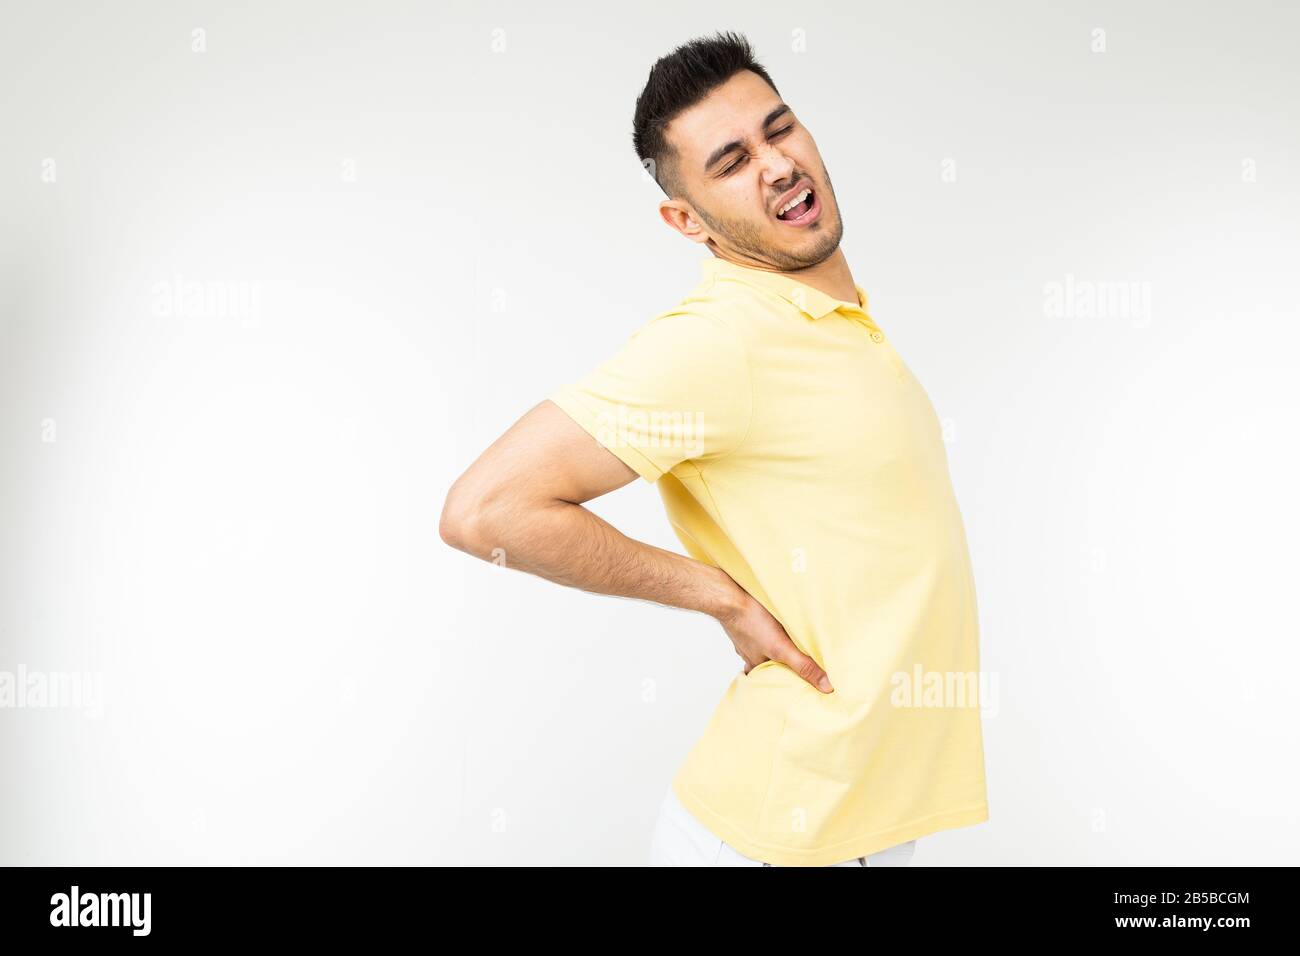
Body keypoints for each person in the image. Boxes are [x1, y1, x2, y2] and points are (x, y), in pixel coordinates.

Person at [440, 31, 989, 867]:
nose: (777, 165)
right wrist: (721, 599)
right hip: (773, 835)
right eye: (731, 161)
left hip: (863, 827)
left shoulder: (837, 321)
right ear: (685, 220)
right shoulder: (721, 343)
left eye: (780, 129)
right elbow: (485, 511)